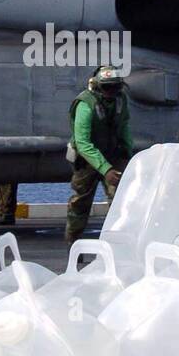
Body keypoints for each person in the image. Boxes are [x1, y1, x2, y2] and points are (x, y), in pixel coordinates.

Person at [65, 66, 134, 245]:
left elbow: (124, 125)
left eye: (115, 87)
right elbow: (83, 143)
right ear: (97, 86)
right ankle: (73, 243)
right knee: (80, 203)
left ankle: (118, 244)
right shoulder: (85, 104)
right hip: (87, 160)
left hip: (112, 154)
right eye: (107, 88)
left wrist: (128, 152)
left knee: (119, 200)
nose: (111, 92)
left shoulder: (120, 99)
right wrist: (106, 169)